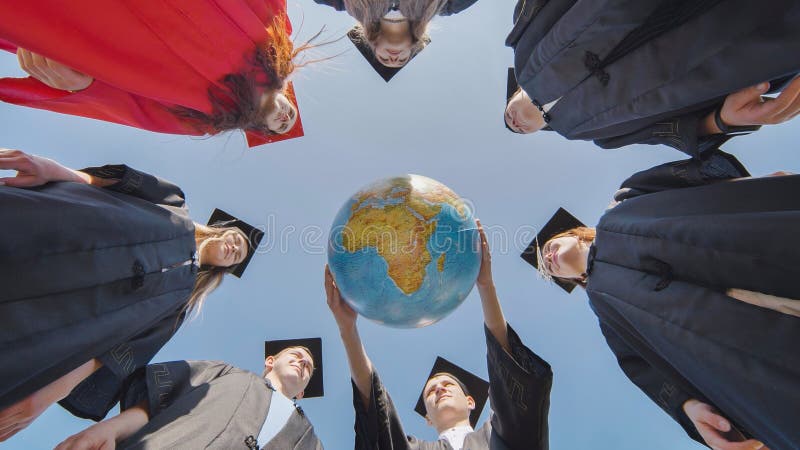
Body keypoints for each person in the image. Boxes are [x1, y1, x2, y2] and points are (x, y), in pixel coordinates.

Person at [521, 149, 800, 449]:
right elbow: (648, 373)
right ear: (569, 280)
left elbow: (701, 174)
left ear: (573, 233)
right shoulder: (609, 316)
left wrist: (753, 189)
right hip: (748, 345)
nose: (548, 258)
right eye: (548, 267)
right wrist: (687, 407)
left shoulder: (625, 203)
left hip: (765, 248)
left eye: (549, 247)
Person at [0, 149, 263, 442]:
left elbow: (114, 356)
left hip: (45, 323)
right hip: (41, 234)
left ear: (226, 270)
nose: (234, 248)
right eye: (234, 239)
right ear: (221, 230)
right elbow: (110, 182)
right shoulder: (174, 204)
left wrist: (47, 393)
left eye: (237, 255)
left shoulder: (178, 306)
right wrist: (56, 170)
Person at [326, 220, 552, 450]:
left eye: (447, 385)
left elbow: (509, 375)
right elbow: (375, 412)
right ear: (427, 418)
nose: (440, 389)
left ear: (470, 401)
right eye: (432, 391)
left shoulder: (499, 436)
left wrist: (486, 286)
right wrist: (348, 330)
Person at [504, 0, 800, 156]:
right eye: (517, 131)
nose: (514, 124)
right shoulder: (597, 135)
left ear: (515, 91)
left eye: (507, 116)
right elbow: (668, 131)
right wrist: (724, 120)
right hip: (730, 49)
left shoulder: (525, 50)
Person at [0, 0, 307, 147]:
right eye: (291, 114)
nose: (284, 118)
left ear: (260, 130)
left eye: (280, 127)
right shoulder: (277, 37)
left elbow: (136, 109)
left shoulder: (204, 120)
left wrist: (85, 86)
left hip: (96, 23)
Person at [53, 339, 325, 449]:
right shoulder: (226, 373)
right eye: (296, 355)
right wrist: (109, 430)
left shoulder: (310, 439)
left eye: (308, 367)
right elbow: (158, 402)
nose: (302, 362)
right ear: (269, 361)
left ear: (301, 392)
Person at [314, 0, 479, 81]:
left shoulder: (346, 3)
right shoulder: (447, 4)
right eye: (402, 59)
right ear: (412, 47)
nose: (393, 58)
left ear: (373, 46)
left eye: (384, 59)